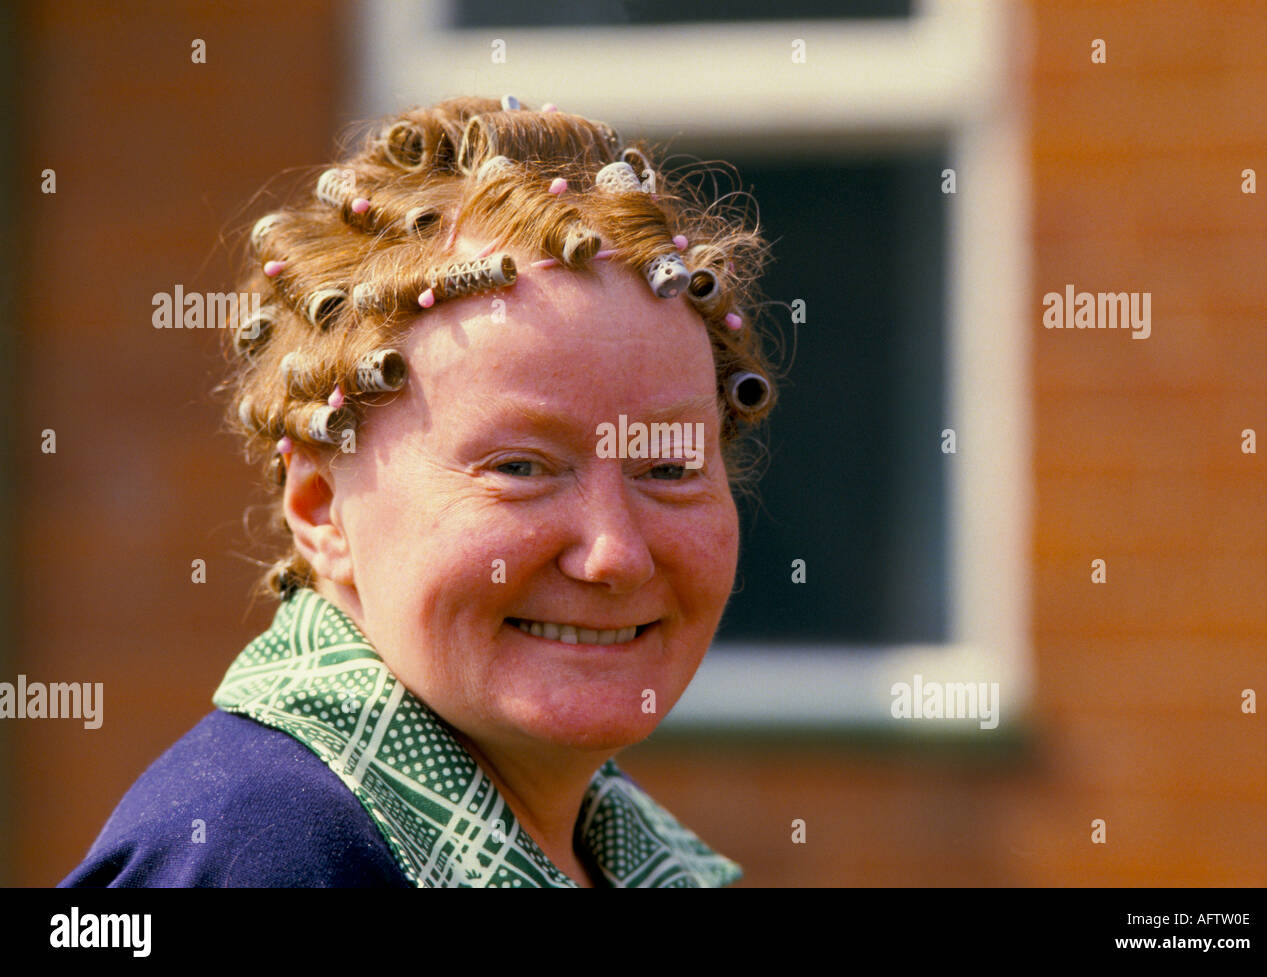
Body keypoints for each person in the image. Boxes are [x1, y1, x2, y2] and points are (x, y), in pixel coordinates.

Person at [60, 94, 776, 888]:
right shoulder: (258, 848)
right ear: (321, 509)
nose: (614, 553)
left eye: (668, 467)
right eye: (520, 467)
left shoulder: (619, 847)